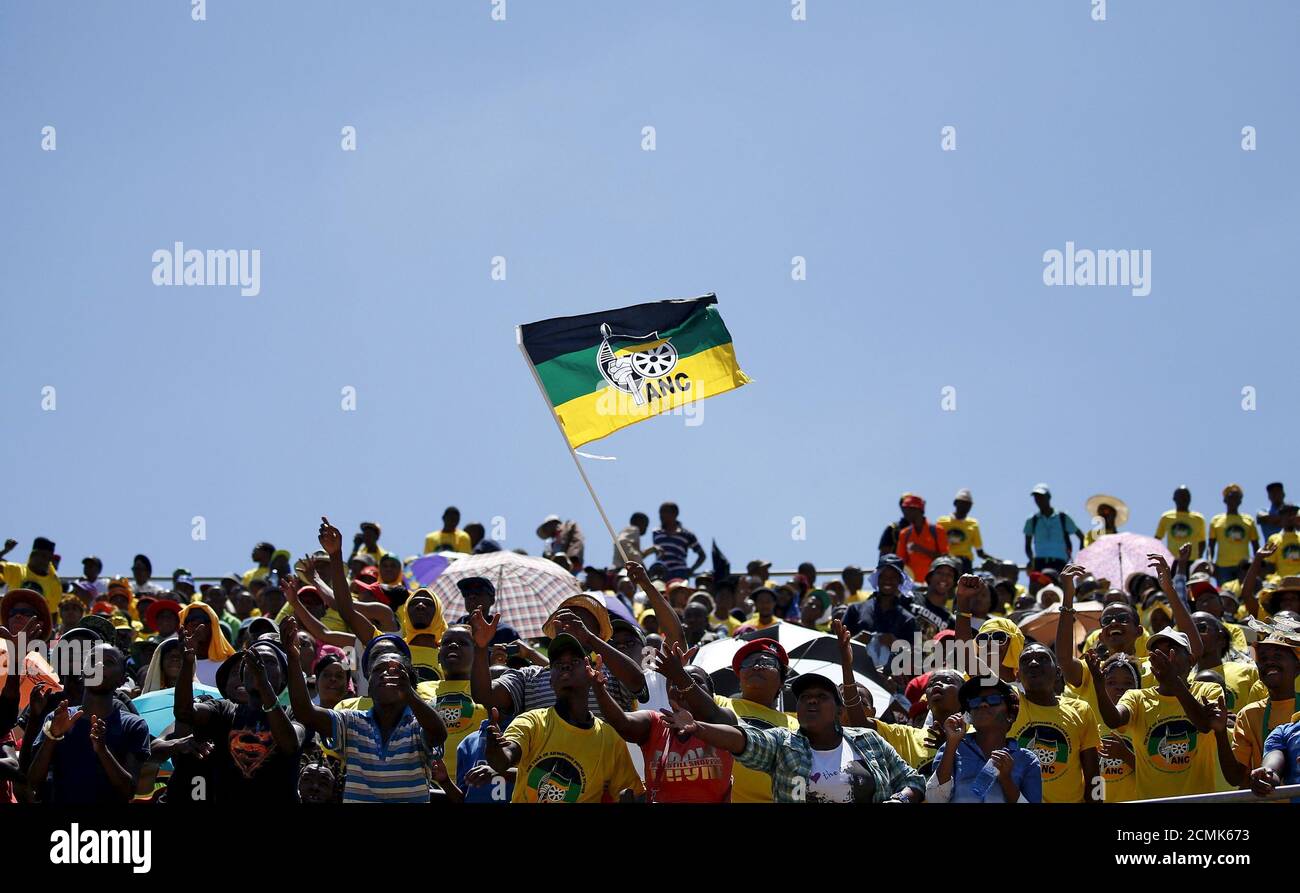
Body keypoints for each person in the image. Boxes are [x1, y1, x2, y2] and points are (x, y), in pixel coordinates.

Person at [669, 668, 924, 803]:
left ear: (839, 711)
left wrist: (900, 800)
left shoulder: (868, 741)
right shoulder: (783, 744)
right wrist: (699, 728)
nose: (811, 701)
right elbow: (743, 739)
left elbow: (913, 781)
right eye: (804, 698)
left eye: (821, 697)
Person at [283, 615, 448, 803]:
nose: (386, 674)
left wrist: (409, 693)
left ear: (409, 682)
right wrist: (293, 658)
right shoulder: (351, 722)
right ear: (369, 686)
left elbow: (439, 734)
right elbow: (305, 713)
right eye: (378, 670)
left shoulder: (419, 724)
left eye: (396, 671)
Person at [482, 632, 643, 802]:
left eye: (575, 662)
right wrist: (494, 749)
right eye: (558, 664)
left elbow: (632, 793)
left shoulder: (610, 739)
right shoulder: (531, 722)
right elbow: (503, 760)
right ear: (550, 680)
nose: (566, 666)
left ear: (590, 674)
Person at [1086, 614, 1223, 799]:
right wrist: (1099, 684)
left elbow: (1205, 725)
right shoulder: (1137, 698)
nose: (1163, 657)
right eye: (1157, 652)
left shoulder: (1208, 690)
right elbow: (1113, 720)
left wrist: (1173, 681)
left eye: (1171, 650)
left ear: (1191, 660)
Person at [169, 626, 305, 804]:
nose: (260, 666)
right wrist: (187, 663)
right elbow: (184, 713)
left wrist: (264, 685)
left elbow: (290, 744)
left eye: (269, 662)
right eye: (253, 661)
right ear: (242, 676)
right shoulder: (224, 710)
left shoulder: (295, 714)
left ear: (283, 679)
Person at [589, 649, 733, 802]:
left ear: (711, 694)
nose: (682, 686)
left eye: (696, 681)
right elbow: (622, 722)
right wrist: (600, 691)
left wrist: (679, 675)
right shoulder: (655, 723)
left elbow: (712, 712)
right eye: (675, 683)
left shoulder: (725, 720)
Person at [470, 594, 645, 719]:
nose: (570, 624)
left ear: (597, 634)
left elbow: (638, 683)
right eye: (563, 620)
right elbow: (484, 696)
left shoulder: (609, 674)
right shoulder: (529, 676)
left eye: (579, 621)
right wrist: (481, 648)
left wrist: (589, 638)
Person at [27, 643, 151, 804]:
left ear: (121, 679)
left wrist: (102, 750)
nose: (98, 665)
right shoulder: (58, 718)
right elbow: (33, 782)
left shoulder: (134, 725)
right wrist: (52, 736)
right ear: (83, 673)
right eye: (93, 660)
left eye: (109, 662)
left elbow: (128, 791)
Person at [928, 677, 1042, 803]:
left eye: (994, 699)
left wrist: (1006, 780)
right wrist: (951, 744)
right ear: (969, 717)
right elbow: (934, 799)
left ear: (1010, 714)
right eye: (975, 701)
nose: (983, 704)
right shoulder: (950, 747)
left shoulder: (1027, 760)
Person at [1012, 643, 1102, 802]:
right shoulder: (1010, 706)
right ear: (1018, 676)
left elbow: (1095, 776)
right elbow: (975, 669)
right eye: (1025, 660)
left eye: (1042, 658)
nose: (1033, 663)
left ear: (1058, 672)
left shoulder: (1081, 710)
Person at [1213, 632, 1299, 789]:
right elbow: (1236, 778)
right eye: (1263, 659)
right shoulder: (1248, 714)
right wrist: (1220, 733)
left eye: (1278, 656)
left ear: (1297, 667)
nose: (1269, 662)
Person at [844, 555, 917, 666]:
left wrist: (895, 643)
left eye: (893, 577)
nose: (888, 580)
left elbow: (917, 659)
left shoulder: (909, 620)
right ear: (877, 578)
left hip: (890, 676)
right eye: (883, 576)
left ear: (900, 581)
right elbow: (837, 646)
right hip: (855, 671)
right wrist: (856, 640)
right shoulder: (854, 609)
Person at [1023, 484, 1083, 572]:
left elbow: (1082, 537)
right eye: (1036, 498)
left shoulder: (1063, 517)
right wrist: (1032, 560)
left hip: (1060, 563)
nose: (1038, 500)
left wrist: (1080, 560)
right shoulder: (1032, 520)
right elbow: (1027, 546)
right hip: (1040, 564)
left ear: (1049, 497)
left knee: (1061, 581)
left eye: (1041, 497)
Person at [1208, 484, 1259, 584]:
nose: (1234, 499)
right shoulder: (1216, 520)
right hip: (1222, 567)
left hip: (1244, 567)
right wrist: (1210, 562)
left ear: (1240, 500)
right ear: (1225, 500)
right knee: (1224, 592)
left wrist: (1257, 565)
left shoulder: (1249, 520)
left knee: (1245, 592)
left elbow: (1255, 545)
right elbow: (1211, 546)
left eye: (1237, 497)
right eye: (1231, 496)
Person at [0, 536, 61, 612]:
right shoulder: (16, 570)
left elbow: (52, 612)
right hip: (12, 617)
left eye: (46, 557)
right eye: (37, 554)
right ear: (31, 555)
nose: (42, 559)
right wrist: (5, 551)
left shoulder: (54, 583)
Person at [453, 576, 520, 644]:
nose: (471, 596)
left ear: (492, 600)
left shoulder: (506, 633)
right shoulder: (452, 629)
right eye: (466, 593)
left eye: (478, 592)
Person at [895, 494, 947, 582]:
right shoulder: (904, 534)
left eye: (908, 510)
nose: (905, 513)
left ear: (917, 510)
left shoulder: (937, 530)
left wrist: (922, 550)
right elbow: (900, 562)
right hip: (912, 585)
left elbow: (945, 559)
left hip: (934, 584)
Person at [935, 489, 988, 572]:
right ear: (955, 503)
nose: (965, 507)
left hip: (965, 564)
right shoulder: (942, 522)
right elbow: (935, 544)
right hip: (945, 560)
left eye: (968, 504)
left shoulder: (973, 524)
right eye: (962, 503)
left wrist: (996, 561)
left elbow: (980, 552)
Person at [652, 502, 705, 581]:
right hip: (660, 573)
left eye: (665, 512)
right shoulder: (656, 532)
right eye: (660, 513)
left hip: (680, 573)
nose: (661, 515)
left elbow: (702, 555)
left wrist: (691, 570)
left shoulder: (687, 534)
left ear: (675, 514)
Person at [909, 555, 959, 639]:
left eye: (949, 575)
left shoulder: (951, 622)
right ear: (930, 577)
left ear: (953, 583)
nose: (944, 577)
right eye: (939, 572)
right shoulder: (909, 598)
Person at [1155, 485, 1207, 560]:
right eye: (1181, 496)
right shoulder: (1166, 517)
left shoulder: (1198, 518)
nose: (1183, 499)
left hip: (1191, 560)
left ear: (1190, 499)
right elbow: (1157, 539)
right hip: (1172, 559)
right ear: (1174, 498)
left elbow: (1202, 542)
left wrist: (1199, 559)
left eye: (1186, 496)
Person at [1264, 505, 1300, 578]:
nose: (1291, 517)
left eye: (1293, 514)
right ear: (1281, 517)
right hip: (1282, 582)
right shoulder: (1274, 539)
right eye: (1288, 514)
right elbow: (1270, 567)